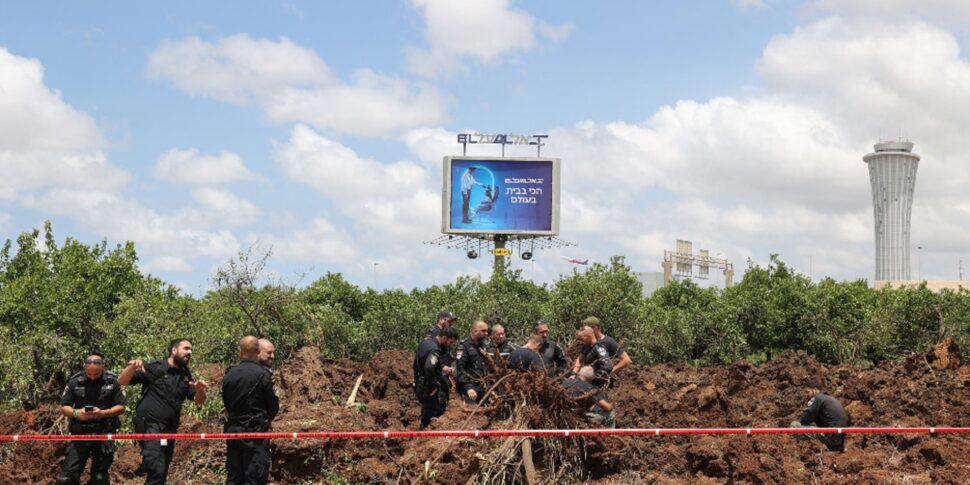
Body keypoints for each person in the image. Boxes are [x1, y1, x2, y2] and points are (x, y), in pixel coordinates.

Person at [119, 338, 209, 485]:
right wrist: (132, 367)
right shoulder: (155, 367)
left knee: (161, 471)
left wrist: (199, 390)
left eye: (191, 350)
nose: (189, 352)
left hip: (169, 430)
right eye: (186, 349)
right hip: (150, 427)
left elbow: (199, 401)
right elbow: (122, 381)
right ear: (174, 350)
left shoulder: (185, 375)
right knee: (156, 469)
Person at [56, 352, 127, 485]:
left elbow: (121, 407)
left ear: (103, 367)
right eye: (89, 374)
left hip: (104, 433)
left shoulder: (113, 381)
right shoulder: (74, 381)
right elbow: (64, 407)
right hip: (80, 433)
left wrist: (102, 413)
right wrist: (77, 414)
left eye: (96, 374)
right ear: (84, 367)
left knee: (100, 478)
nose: (92, 377)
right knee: (66, 479)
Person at [222, 336, 280, 485]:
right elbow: (272, 407)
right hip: (255, 433)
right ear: (257, 351)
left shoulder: (229, 375)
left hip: (233, 432)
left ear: (241, 352)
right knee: (255, 476)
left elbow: (227, 404)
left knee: (234, 477)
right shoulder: (263, 375)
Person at [413, 327, 458, 429]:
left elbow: (417, 363)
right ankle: (427, 438)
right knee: (434, 413)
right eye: (450, 342)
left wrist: (441, 367)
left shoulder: (425, 342)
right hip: (428, 385)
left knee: (426, 412)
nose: (450, 345)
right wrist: (433, 385)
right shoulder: (435, 349)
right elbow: (429, 366)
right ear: (444, 338)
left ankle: (422, 434)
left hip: (420, 381)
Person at [790, 380, 848, 452]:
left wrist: (801, 419)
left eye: (807, 392)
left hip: (830, 438)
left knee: (794, 425)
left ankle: (799, 451)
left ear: (814, 390)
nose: (806, 395)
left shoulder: (817, 398)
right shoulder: (828, 398)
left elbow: (807, 418)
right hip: (839, 438)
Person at [456, 320, 492, 404]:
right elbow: (460, 369)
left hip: (483, 387)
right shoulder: (463, 346)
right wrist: (468, 387)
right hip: (470, 388)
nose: (486, 333)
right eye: (483, 331)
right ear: (475, 331)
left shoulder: (485, 345)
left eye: (487, 331)